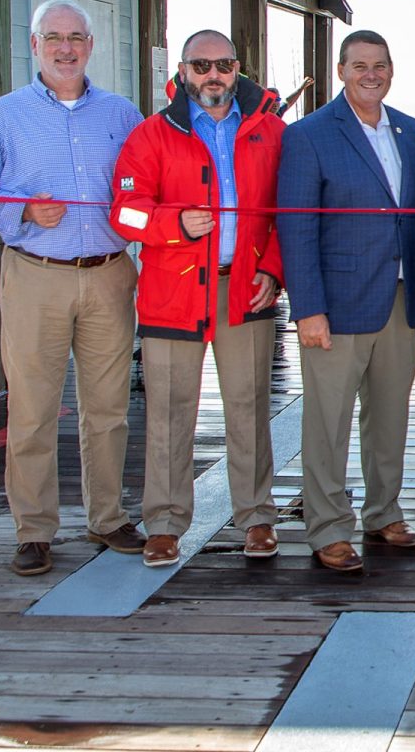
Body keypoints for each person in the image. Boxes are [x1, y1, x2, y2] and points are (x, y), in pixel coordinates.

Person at [0, 0, 145, 577]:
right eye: (54, 37)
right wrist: (20, 212)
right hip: (35, 274)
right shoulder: (3, 116)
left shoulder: (121, 113)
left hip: (111, 274)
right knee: (33, 408)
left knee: (108, 409)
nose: (66, 48)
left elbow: (147, 183)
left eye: (77, 37)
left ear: (91, 46)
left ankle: (107, 516)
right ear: (34, 45)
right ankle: (34, 529)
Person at [110, 31, 285, 568]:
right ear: (183, 71)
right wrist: (173, 224)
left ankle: (255, 517)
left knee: (250, 407)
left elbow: (290, 209)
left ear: (238, 68)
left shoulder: (271, 131)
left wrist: (274, 273)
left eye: (224, 64)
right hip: (174, 289)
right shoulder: (151, 135)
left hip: (244, 288)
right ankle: (163, 524)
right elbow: (124, 213)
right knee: (167, 410)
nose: (214, 74)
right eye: (202, 65)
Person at [276, 29, 415, 573]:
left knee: (390, 416)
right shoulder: (310, 135)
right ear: (341, 71)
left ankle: (383, 512)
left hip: (399, 297)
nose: (372, 74)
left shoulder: (410, 132)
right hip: (337, 303)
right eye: (360, 65)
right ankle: (327, 526)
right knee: (328, 421)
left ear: (392, 70)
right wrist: (308, 309)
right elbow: (295, 230)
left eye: (381, 65)